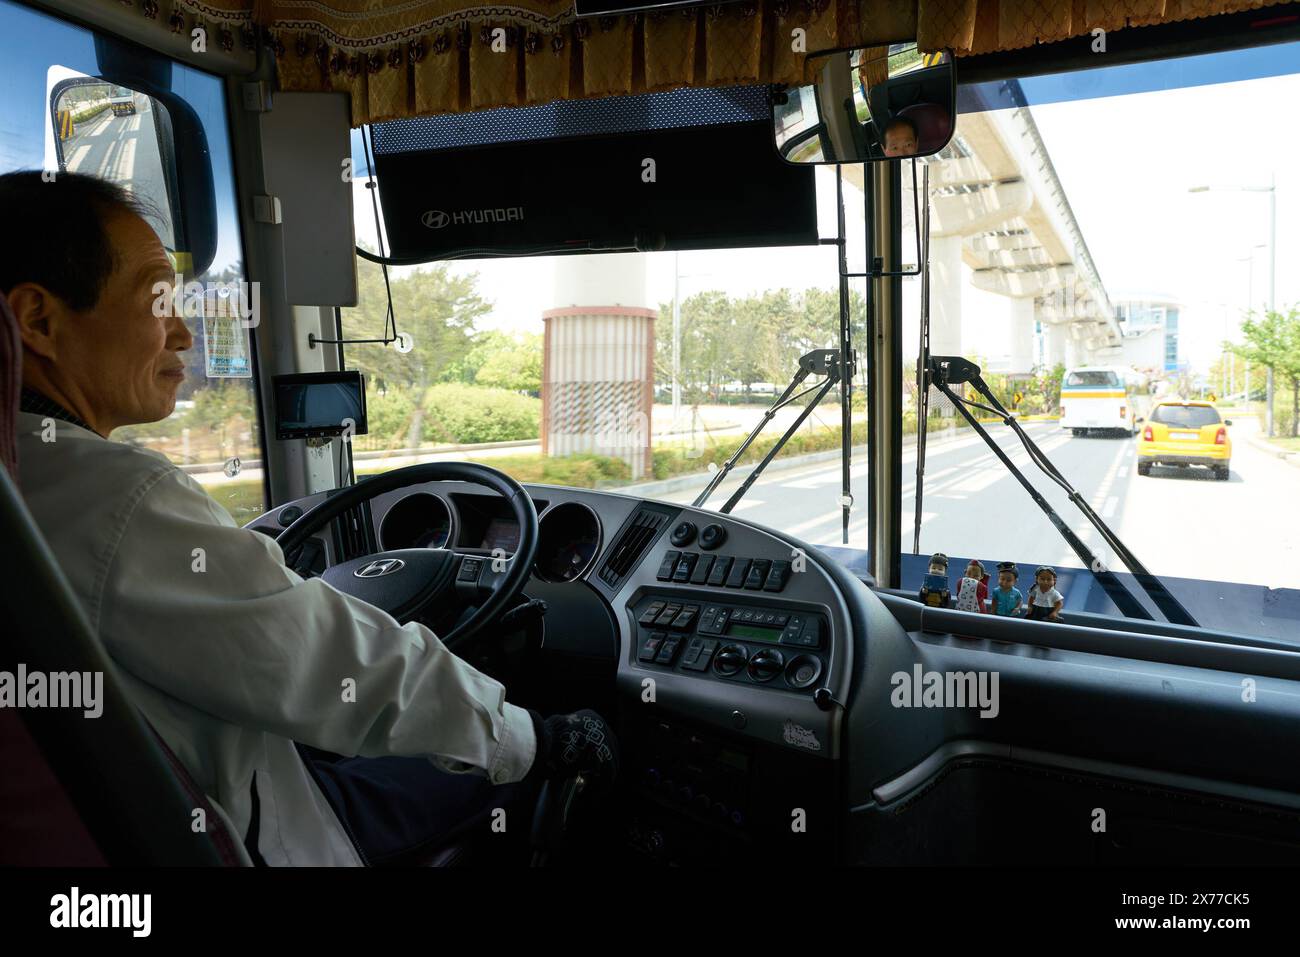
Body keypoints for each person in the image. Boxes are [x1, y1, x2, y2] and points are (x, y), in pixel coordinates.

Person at [2, 170, 618, 865]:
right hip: (242, 835)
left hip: (193, 799)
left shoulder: (29, 480)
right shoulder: (114, 496)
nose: (180, 331)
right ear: (39, 320)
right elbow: (321, 656)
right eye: (156, 299)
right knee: (511, 774)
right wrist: (530, 736)